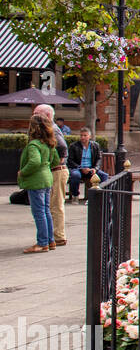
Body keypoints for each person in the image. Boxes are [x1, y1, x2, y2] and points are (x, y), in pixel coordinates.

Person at [18, 114, 57, 253]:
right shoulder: (49, 143)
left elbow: (35, 162)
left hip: (37, 181)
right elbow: (55, 160)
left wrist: (23, 172)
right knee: (46, 210)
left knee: (39, 212)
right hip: (47, 178)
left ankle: (42, 243)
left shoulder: (34, 144)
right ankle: (50, 241)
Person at [34, 105, 67, 246]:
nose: (33, 116)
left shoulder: (52, 129)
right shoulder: (49, 129)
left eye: (36, 114)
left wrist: (55, 161)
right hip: (55, 170)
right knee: (51, 205)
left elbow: (62, 147)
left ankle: (59, 236)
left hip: (57, 171)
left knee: (56, 205)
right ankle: (53, 237)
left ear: (47, 116)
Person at [67, 128, 101, 203]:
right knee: (75, 176)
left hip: (91, 169)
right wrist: (81, 168)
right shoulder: (73, 146)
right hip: (77, 168)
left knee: (104, 176)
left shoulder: (95, 145)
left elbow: (99, 159)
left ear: (90, 136)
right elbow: (70, 160)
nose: (83, 137)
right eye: (81, 135)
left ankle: (99, 196)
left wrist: (95, 168)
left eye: (85, 135)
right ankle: (75, 195)